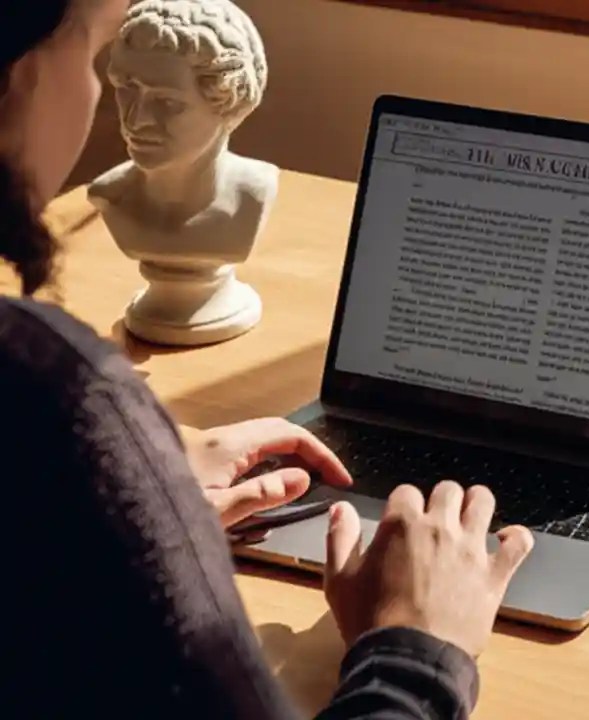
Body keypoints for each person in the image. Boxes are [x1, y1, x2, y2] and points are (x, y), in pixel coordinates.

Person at [0, 2, 534, 718]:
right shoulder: (43, 389)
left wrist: (128, 487)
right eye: (97, 55)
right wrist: (417, 646)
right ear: (14, 77)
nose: (111, 106)